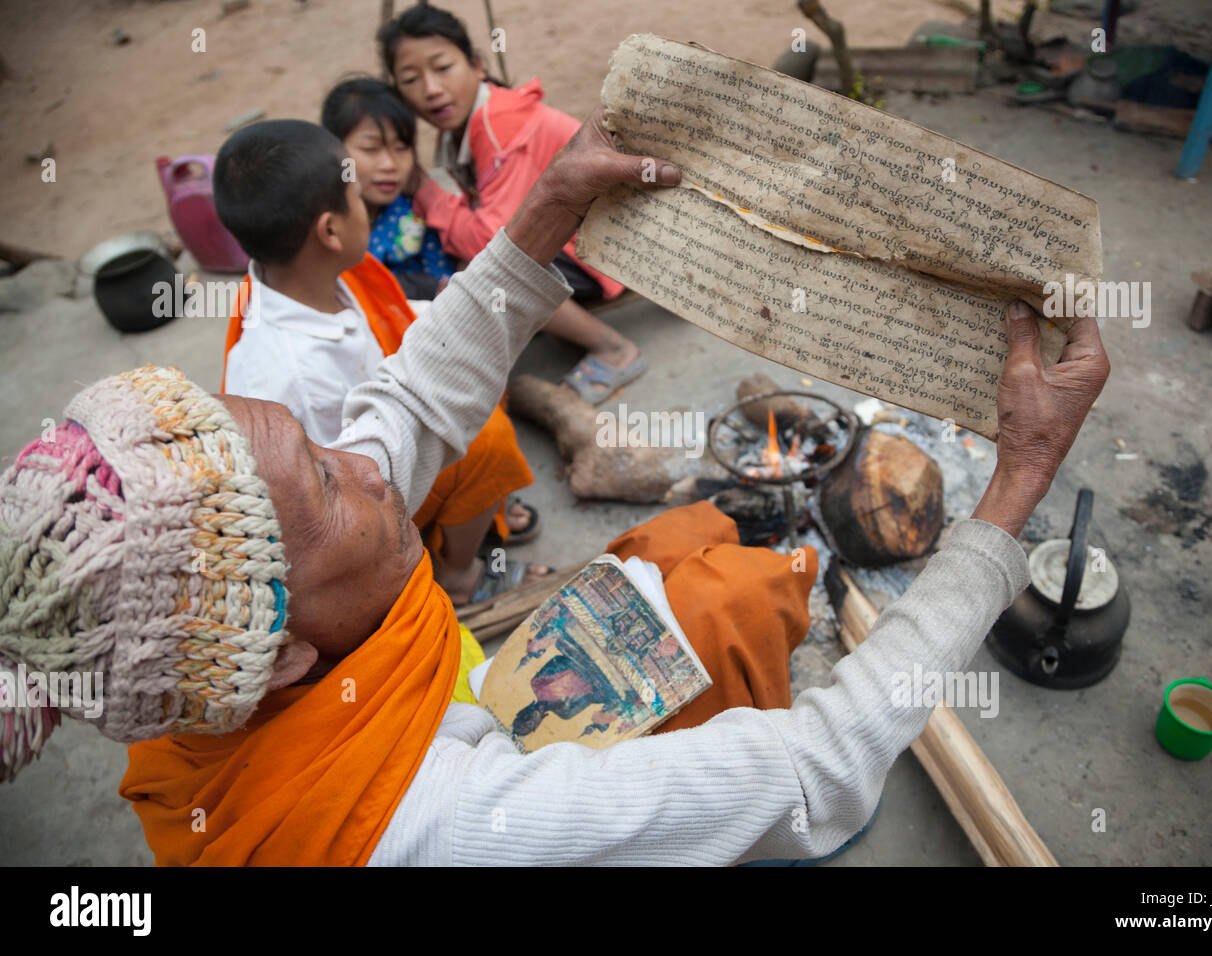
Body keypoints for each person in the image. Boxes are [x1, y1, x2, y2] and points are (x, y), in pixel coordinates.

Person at [0, 108, 1110, 865]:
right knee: (757, 692)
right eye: (333, 484)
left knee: (682, 542)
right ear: (287, 652)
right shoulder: (438, 832)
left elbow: (407, 411)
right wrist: (1014, 489)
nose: (368, 459)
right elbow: (818, 760)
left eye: (318, 440)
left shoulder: (197, 653)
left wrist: (541, 222)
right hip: (484, 772)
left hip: (459, 709)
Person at [218, 118, 546, 606]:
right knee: (488, 439)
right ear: (329, 231)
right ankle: (455, 573)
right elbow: (335, 499)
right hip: (350, 506)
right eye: (355, 195)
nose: (368, 202)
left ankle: (463, 515)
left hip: (379, 451)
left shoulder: (321, 279)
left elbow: (386, 326)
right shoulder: (291, 374)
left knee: (474, 384)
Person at [380, 1, 647, 404]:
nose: (431, 89)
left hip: (612, 252)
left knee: (493, 270)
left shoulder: (496, 124)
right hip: (585, 239)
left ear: (476, 65)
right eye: (411, 79)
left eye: (442, 67)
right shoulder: (468, 123)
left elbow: (490, 239)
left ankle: (615, 349)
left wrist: (425, 190)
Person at [321, 75, 455, 301]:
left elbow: (447, 292)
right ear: (332, 149)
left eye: (401, 148)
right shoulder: (321, 223)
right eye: (371, 148)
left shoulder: (419, 213)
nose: (390, 165)